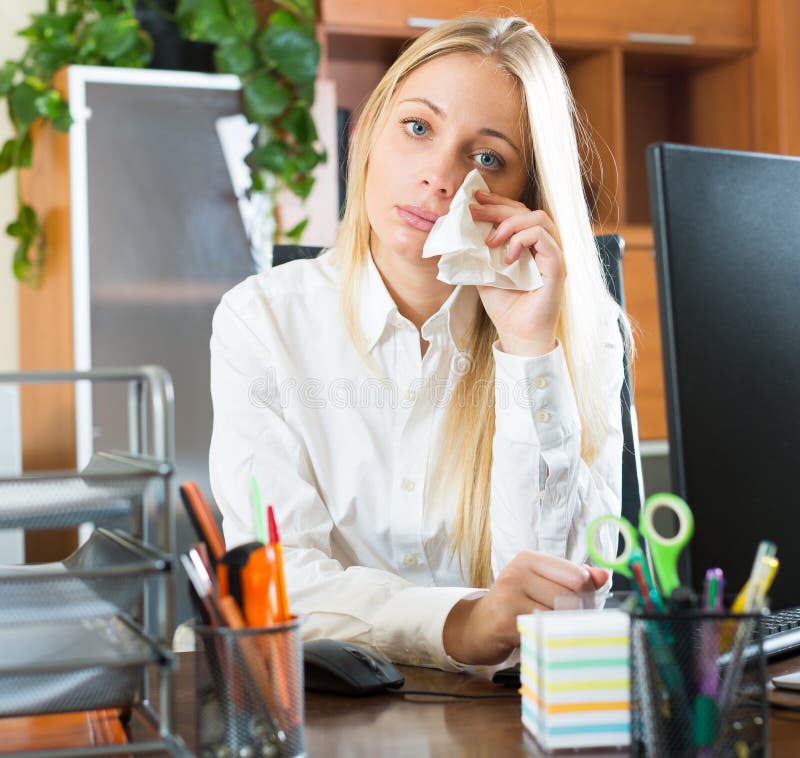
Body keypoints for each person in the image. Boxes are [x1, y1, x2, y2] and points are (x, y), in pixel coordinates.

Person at [209, 15, 627, 670]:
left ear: (524, 197)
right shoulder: (262, 322)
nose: (439, 175)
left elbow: (560, 600)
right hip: (332, 721)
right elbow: (279, 580)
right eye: (419, 127)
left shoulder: (583, 334)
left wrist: (527, 350)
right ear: (368, 133)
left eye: (486, 157)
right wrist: (458, 623)